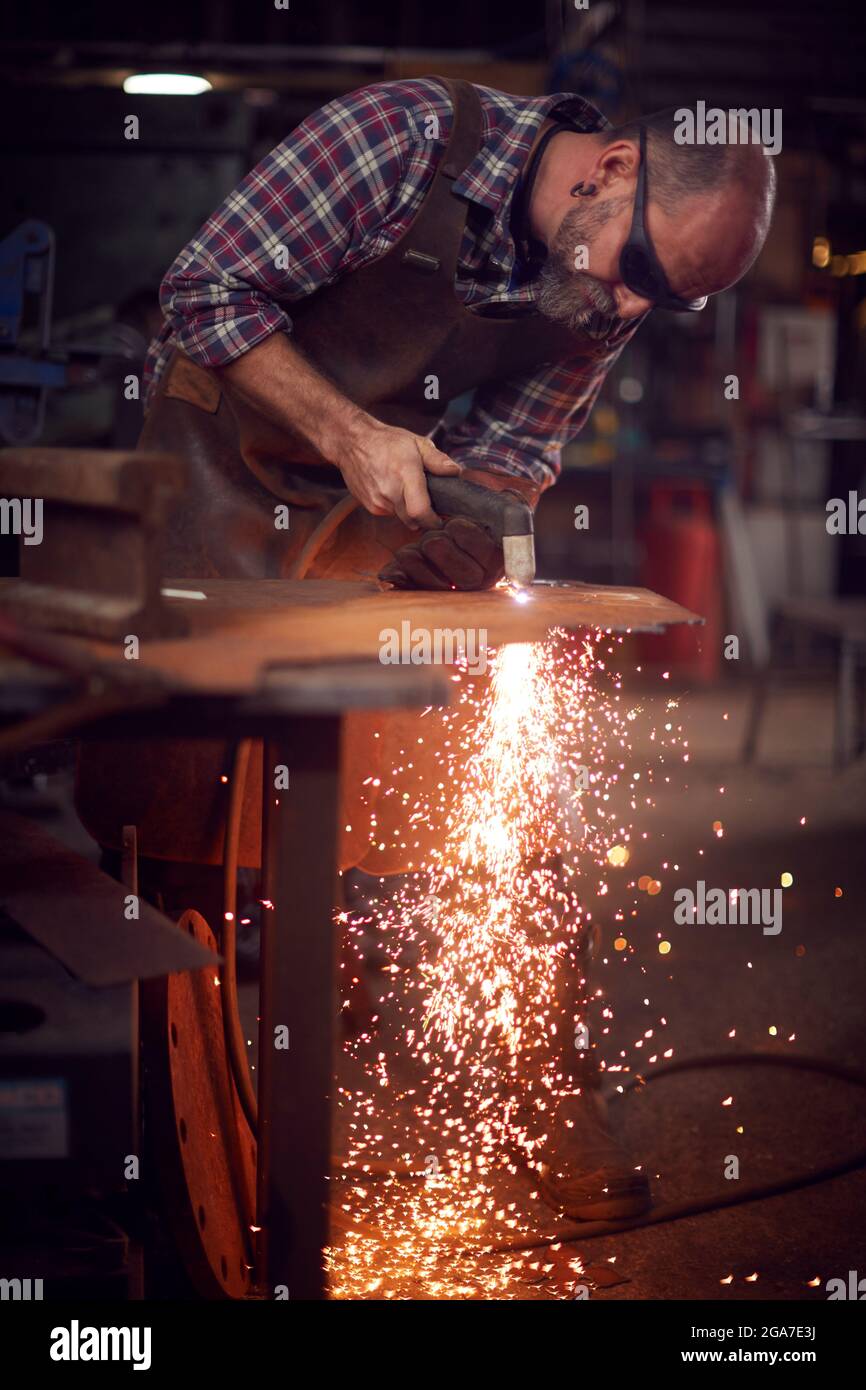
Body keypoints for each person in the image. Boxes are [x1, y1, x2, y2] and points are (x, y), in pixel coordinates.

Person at [78, 76, 775, 1220]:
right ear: (607, 170)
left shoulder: (596, 298)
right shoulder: (402, 141)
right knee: (192, 841)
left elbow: (505, 463)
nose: (632, 306)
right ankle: (188, 1165)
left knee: (503, 828)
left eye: (667, 299)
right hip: (221, 486)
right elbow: (202, 291)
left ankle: (539, 1108)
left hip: (372, 526)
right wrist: (347, 432)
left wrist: (466, 543)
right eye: (640, 269)